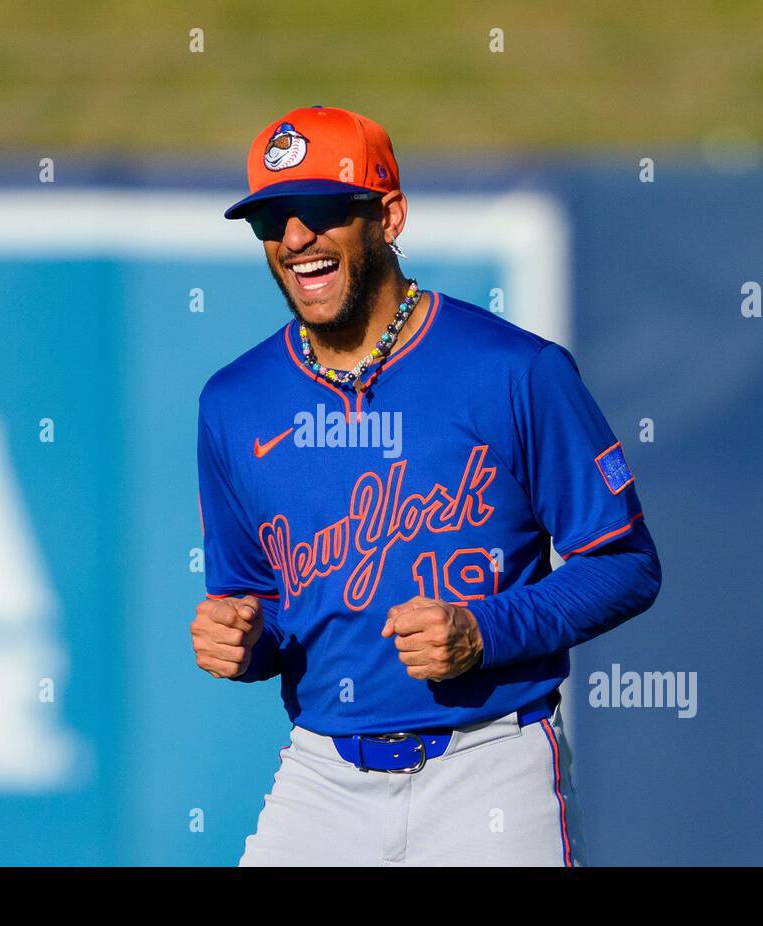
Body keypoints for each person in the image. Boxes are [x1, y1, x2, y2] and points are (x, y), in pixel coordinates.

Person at [192, 105, 661, 866]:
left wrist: (486, 632)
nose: (296, 239)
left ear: (388, 215)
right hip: (323, 773)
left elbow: (626, 563)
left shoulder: (515, 369)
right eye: (272, 219)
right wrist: (239, 639)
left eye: (321, 210)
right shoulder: (233, 403)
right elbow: (262, 605)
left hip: (490, 763)